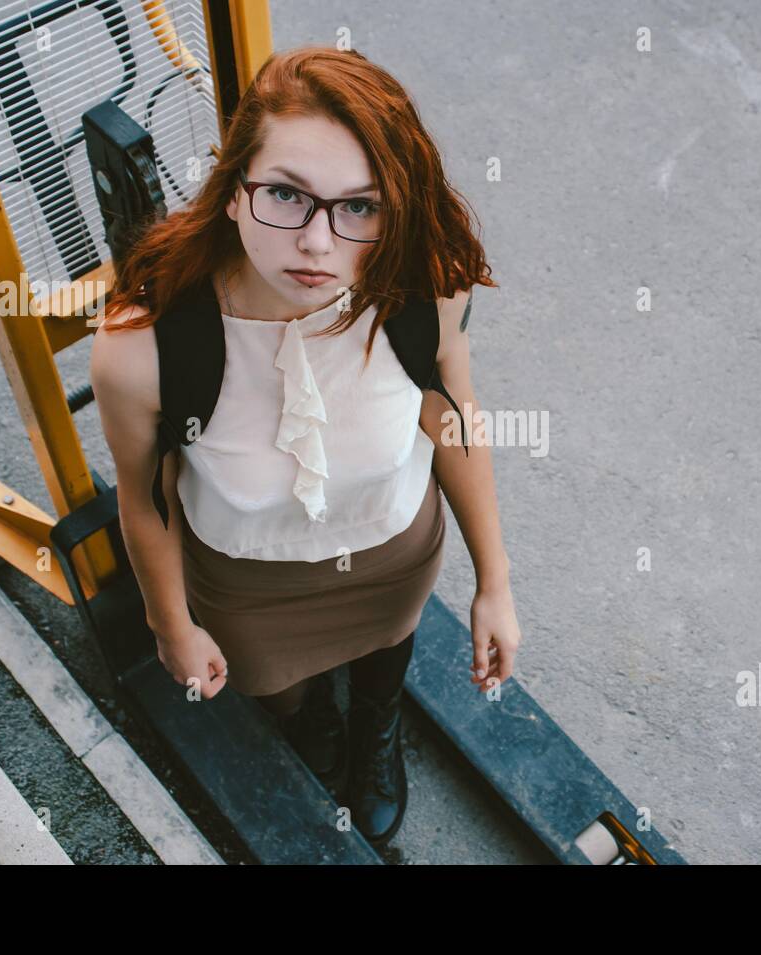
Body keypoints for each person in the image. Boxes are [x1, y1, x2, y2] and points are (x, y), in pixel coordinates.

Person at [89, 46, 522, 848]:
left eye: (360, 206)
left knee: (388, 649)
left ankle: (376, 728)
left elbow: (452, 412)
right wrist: (169, 625)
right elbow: (142, 495)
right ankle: (313, 719)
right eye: (286, 194)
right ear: (231, 192)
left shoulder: (424, 285)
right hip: (245, 586)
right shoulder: (144, 347)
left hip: (392, 555)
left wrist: (495, 580)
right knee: (277, 692)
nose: (319, 244)